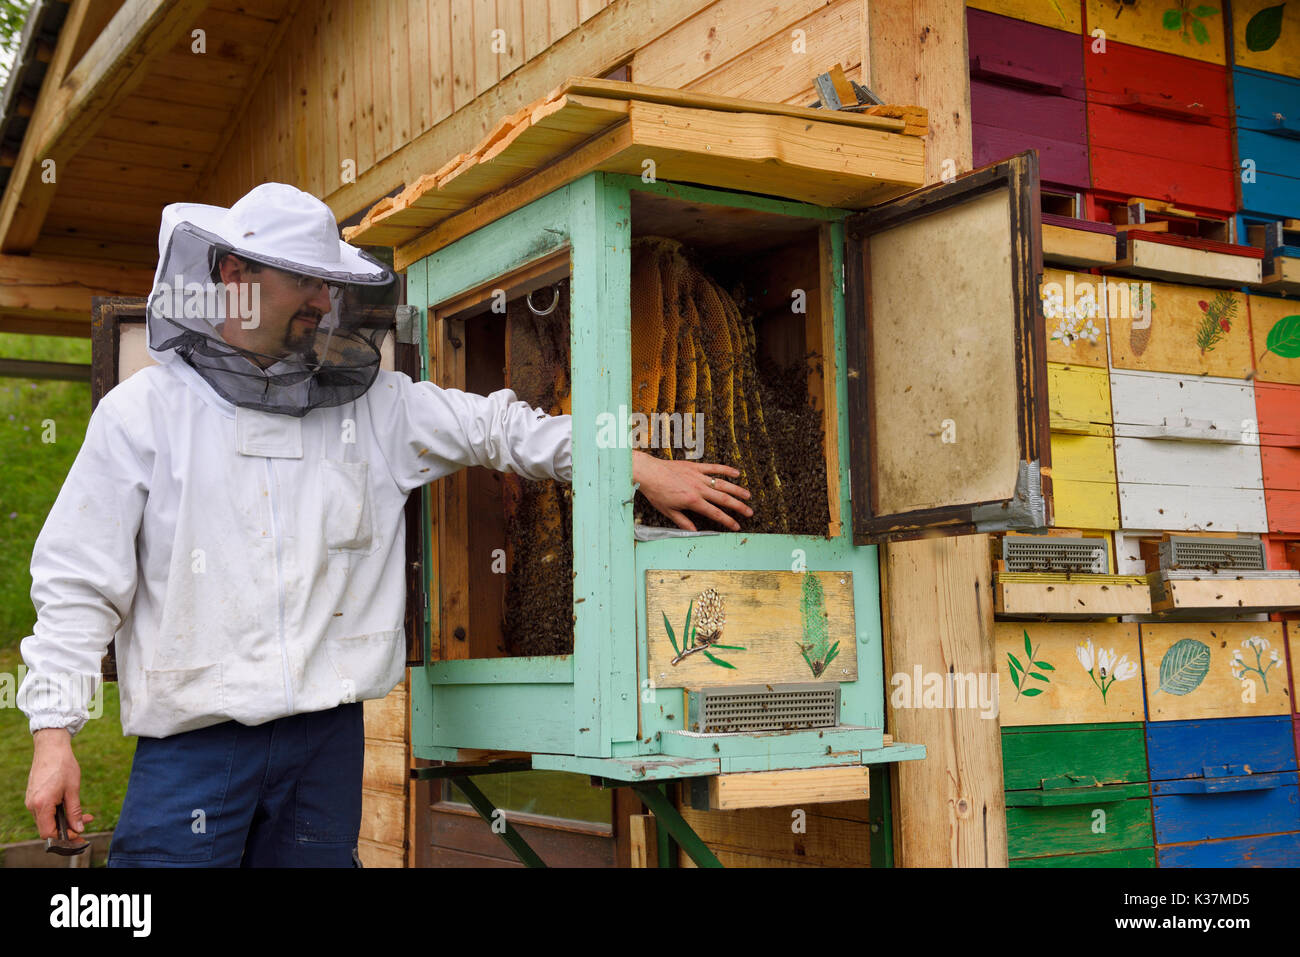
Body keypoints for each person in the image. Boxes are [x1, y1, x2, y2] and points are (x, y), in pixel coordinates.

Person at [19, 182, 752, 867]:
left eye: (327, 281)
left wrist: (629, 462)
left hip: (324, 741)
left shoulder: (376, 406)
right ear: (236, 271)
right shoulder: (143, 415)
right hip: (193, 752)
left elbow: (497, 427)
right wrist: (54, 735)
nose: (322, 299)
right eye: (304, 279)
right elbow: (79, 581)